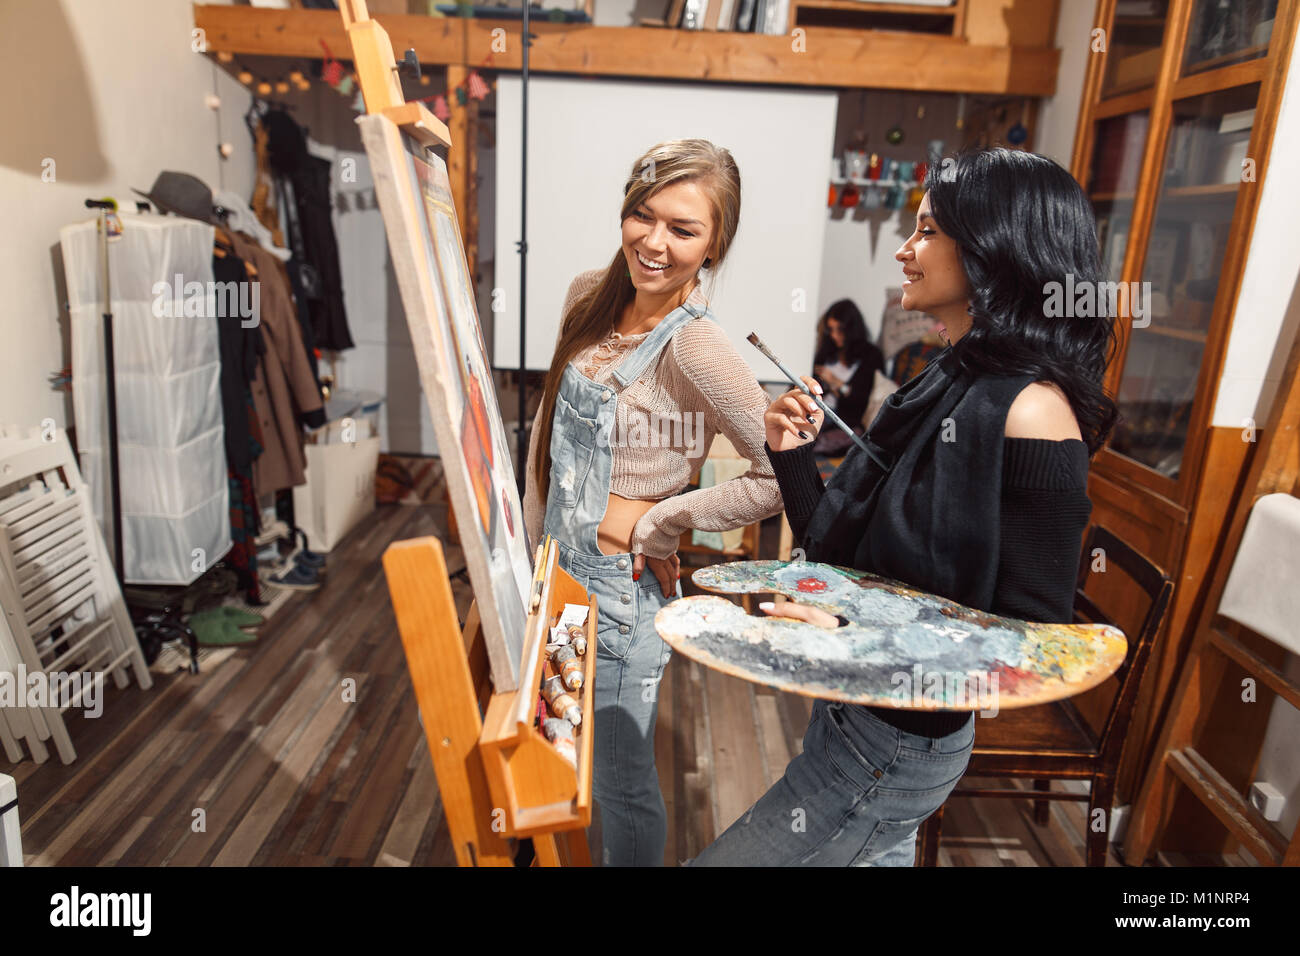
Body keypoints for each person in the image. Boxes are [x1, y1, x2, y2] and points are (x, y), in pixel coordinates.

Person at [691, 146, 1118, 866]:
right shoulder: (950, 377)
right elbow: (838, 553)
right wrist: (791, 453)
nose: (904, 251)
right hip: (858, 714)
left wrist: (864, 627)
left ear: (991, 249)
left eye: (926, 232)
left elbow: (1033, 642)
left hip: (896, 744)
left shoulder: (1035, 412)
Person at [523, 138, 783, 866]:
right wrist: (525, 547)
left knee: (621, 786)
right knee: (552, 745)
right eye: (643, 215)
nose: (655, 242)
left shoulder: (696, 347)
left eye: (683, 229)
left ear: (714, 246)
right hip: (555, 574)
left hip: (617, 593)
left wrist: (665, 520)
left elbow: (775, 476)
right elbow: (545, 432)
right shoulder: (586, 295)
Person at [810, 299, 884, 454]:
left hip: (845, 421)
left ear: (851, 329)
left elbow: (861, 400)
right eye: (831, 329)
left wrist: (836, 382)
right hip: (819, 413)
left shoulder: (871, 356)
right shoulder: (826, 353)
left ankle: (812, 445)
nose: (834, 335)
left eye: (840, 330)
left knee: (852, 435)